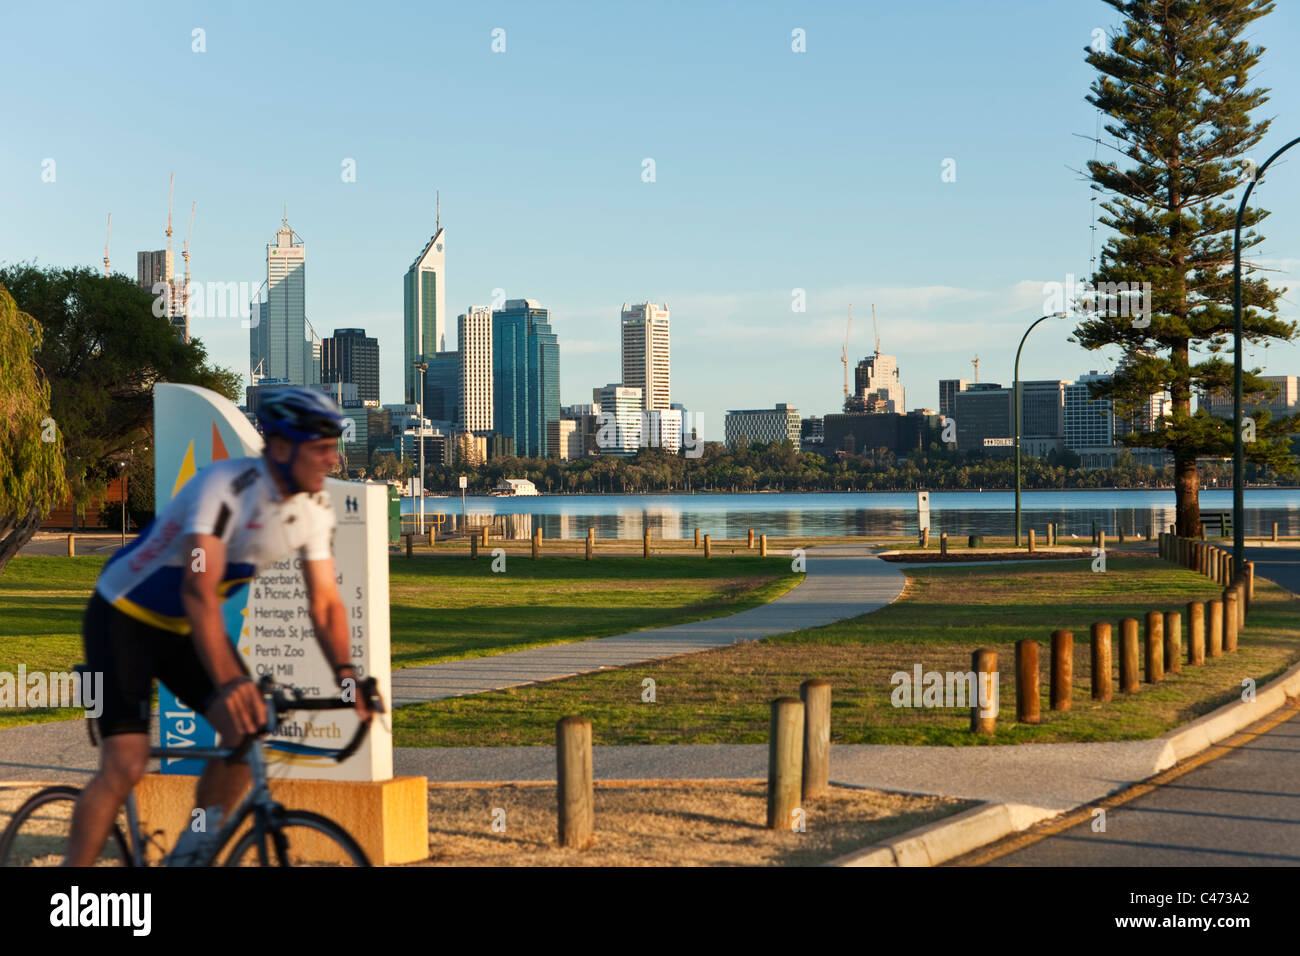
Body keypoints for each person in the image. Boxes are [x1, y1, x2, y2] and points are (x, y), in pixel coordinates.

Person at [65, 387, 376, 866]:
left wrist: (348, 675)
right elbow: (197, 590)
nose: (333, 461)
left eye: (334, 447)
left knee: (244, 731)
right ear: (279, 448)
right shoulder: (224, 489)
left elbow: (327, 605)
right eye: (321, 449)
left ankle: (192, 850)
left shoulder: (314, 509)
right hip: (121, 617)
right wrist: (232, 680)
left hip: (180, 629)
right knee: (125, 764)